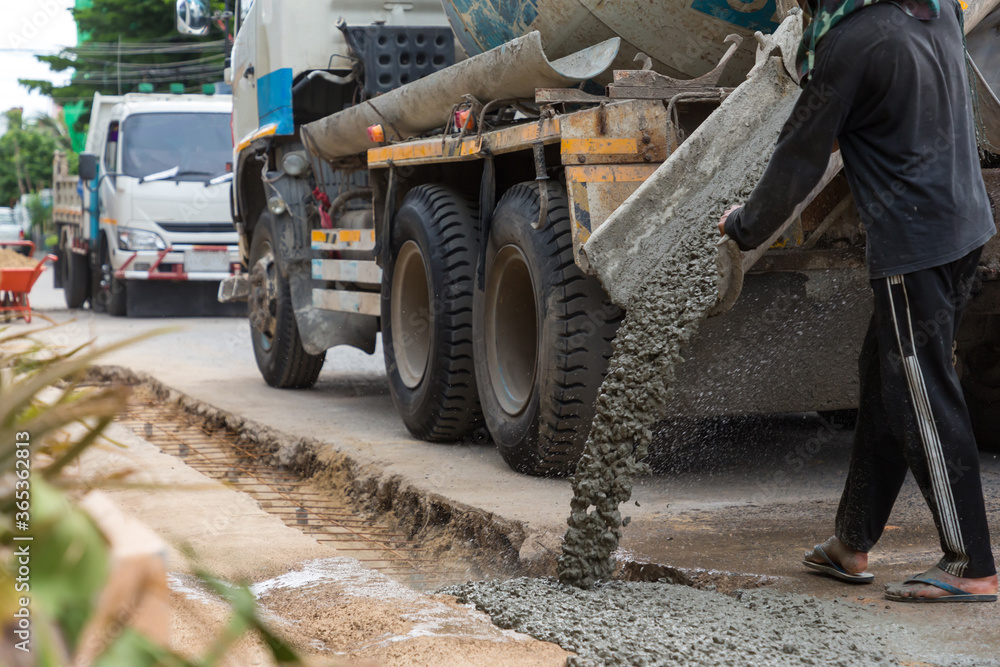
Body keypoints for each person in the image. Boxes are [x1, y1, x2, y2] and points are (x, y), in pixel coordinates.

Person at [719, 0, 998, 602]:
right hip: (966, 224)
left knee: (919, 393)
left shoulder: (846, 46)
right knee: (888, 379)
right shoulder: (937, 8)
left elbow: (797, 161)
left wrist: (742, 226)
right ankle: (851, 542)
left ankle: (971, 563)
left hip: (916, 244)